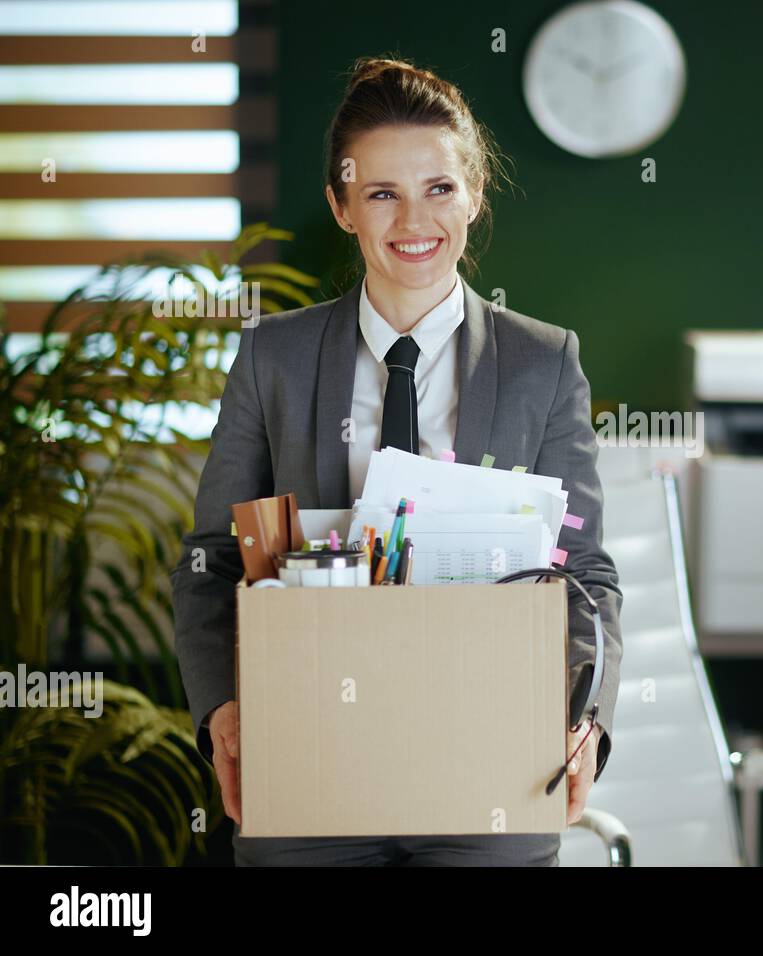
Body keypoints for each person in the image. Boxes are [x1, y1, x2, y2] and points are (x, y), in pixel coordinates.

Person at [170, 56, 622, 866]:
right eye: (382, 192)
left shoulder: (543, 364)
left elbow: (581, 566)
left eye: (439, 188)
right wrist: (225, 709)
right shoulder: (274, 358)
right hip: (309, 756)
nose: (414, 218)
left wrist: (586, 717)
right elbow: (208, 558)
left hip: (489, 764)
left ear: (475, 194)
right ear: (342, 207)